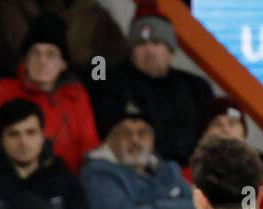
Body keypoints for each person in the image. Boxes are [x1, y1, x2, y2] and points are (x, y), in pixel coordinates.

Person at [91, 5, 213, 167]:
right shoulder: (111, 85)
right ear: (132, 50)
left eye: (156, 42)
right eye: (141, 43)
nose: (149, 50)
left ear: (170, 50)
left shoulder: (196, 88)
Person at [0, 13, 99, 176]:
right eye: (35, 53)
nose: (42, 60)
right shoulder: (4, 92)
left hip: (70, 183)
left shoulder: (76, 95)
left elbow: (90, 147)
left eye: (51, 54)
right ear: (25, 59)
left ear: (63, 64)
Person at [184, 95, 263, 209]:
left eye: (232, 123)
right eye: (216, 124)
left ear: (244, 132)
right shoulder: (188, 176)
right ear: (204, 133)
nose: (226, 130)